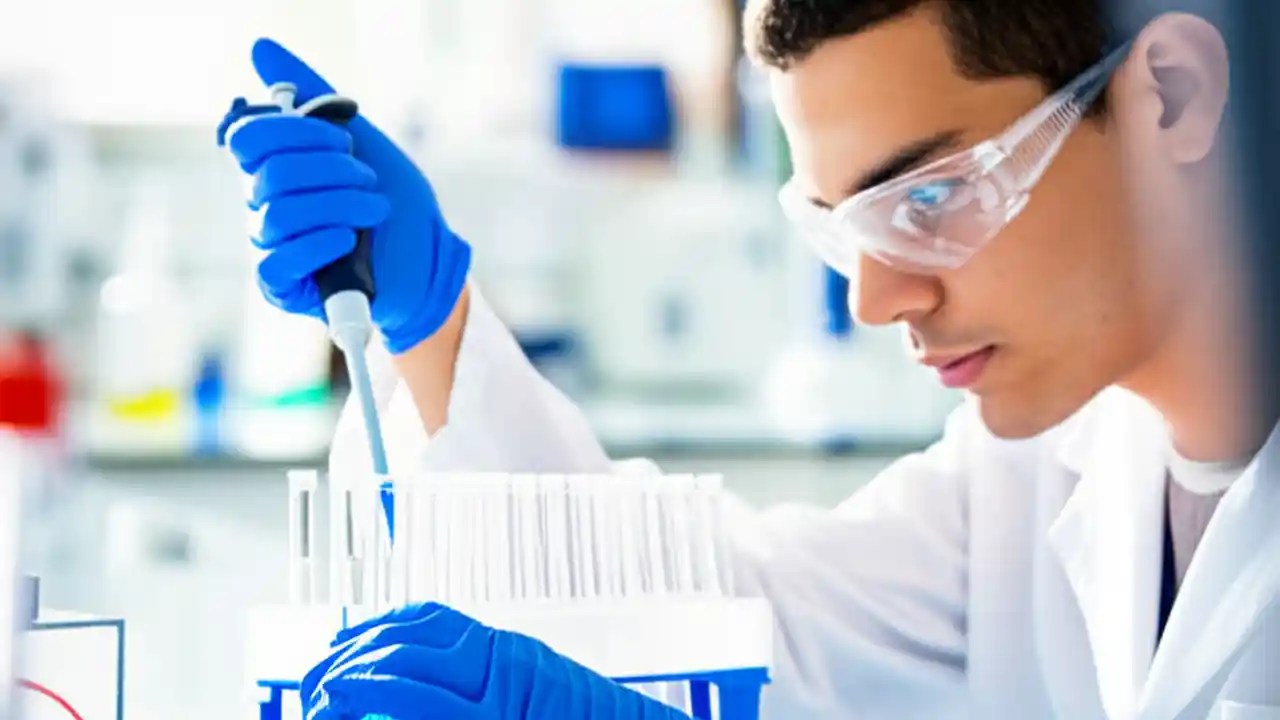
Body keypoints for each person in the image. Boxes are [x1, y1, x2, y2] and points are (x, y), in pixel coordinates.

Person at [223, 0, 1280, 717]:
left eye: (927, 199)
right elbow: (717, 611)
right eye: (841, 228)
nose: (874, 300)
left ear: (1169, 97)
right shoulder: (1033, 470)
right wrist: (432, 320)